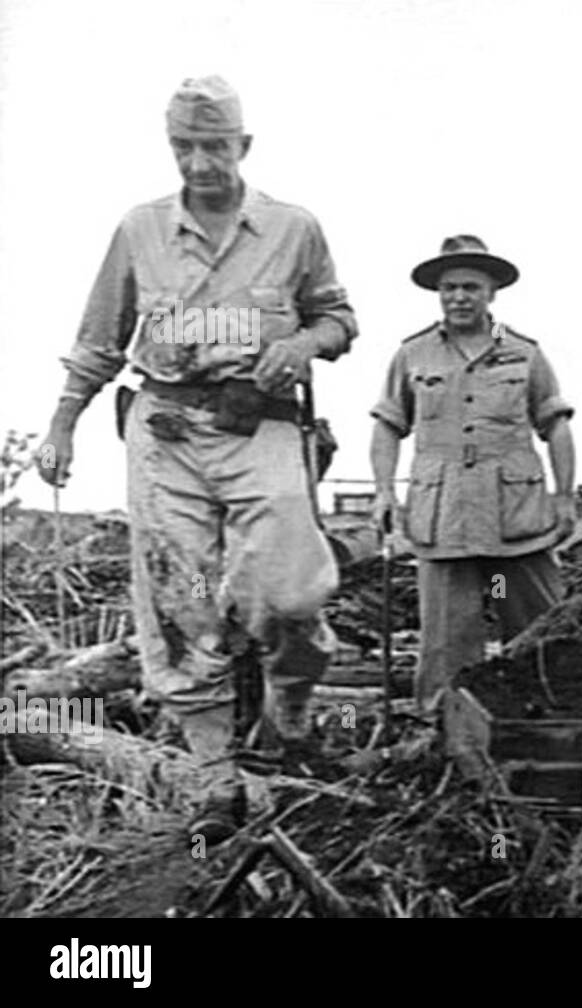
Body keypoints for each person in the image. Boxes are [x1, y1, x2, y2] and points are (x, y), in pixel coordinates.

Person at [37, 76, 358, 842]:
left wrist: (302, 344)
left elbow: (339, 317)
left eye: (214, 146)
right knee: (180, 603)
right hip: (166, 436)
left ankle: (291, 711)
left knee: (290, 594)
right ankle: (214, 774)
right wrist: (61, 426)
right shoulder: (140, 230)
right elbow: (98, 340)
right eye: (184, 146)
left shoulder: (292, 228)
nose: (199, 162)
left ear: (243, 146)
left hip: (260, 426)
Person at [369, 236, 575, 709]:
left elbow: (556, 425)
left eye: (470, 287)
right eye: (449, 288)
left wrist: (565, 497)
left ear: (491, 293)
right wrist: (383, 493)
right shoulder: (413, 354)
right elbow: (387, 426)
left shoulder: (524, 352)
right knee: (447, 642)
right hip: (445, 520)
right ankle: (444, 730)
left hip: (516, 519)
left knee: (540, 631)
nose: (459, 297)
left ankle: (547, 720)